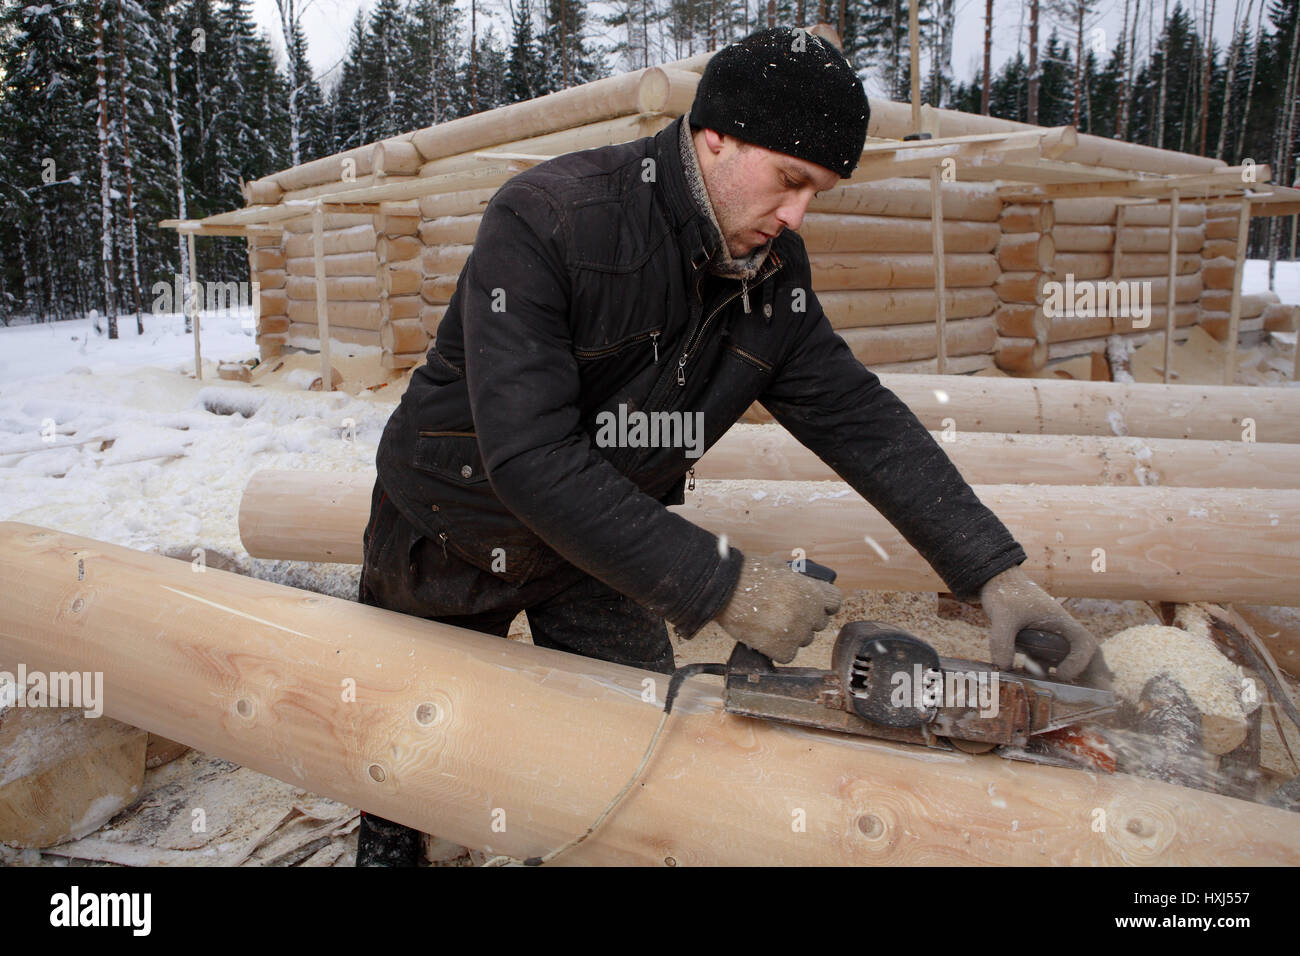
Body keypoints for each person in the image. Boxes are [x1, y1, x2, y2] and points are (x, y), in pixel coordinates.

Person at [355, 25, 1100, 865]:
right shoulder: (548, 219)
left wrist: (992, 574)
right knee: (404, 754)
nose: (796, 216)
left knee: (635, 754)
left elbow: (859, 416)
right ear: (716, 136)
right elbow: (527, 456)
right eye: (789, 181)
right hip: (450, 529)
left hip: (604, 543)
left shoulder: (772, 278)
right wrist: (726, 586)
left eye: (817, 192)